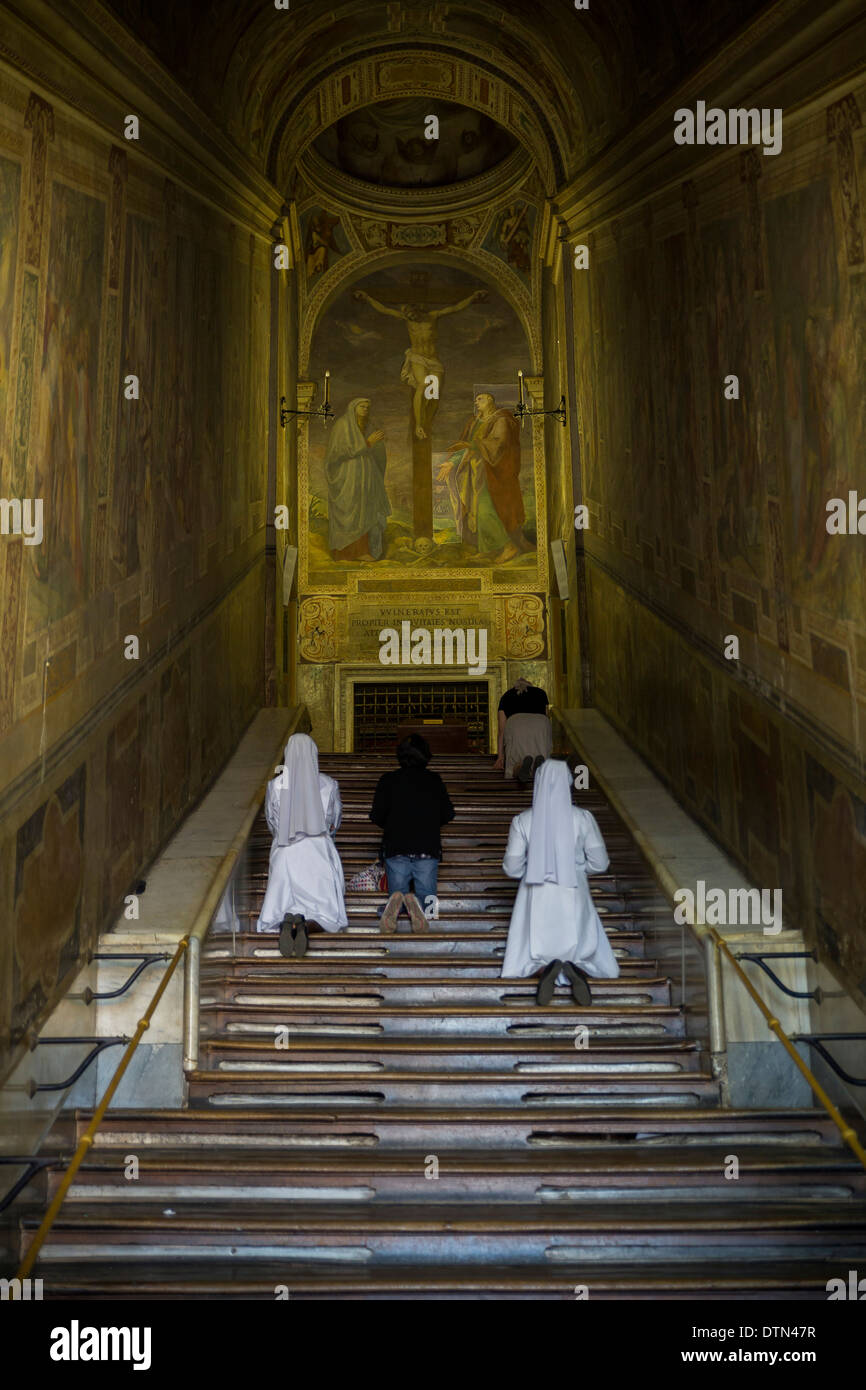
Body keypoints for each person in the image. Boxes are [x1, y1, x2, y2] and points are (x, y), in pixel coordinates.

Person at [501, 758, 619, 1005]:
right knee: (580, 938)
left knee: (535, 942)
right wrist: (577, 869)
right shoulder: (583, 817)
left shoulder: (522, 820)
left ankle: (545, 969)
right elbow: (600, 862)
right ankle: (574, 967)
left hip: (535, 891)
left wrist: (531, 870)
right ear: (568, 782)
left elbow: (512, 868)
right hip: (573, 886)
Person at [256, 732, 347, 957]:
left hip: (285, 850)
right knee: (325, 911)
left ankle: (287, 922)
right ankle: (306, 924)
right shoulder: (328, 784)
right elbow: (334, 821)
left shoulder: (275, 785)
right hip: (318, 850)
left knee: (283, 902)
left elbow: (272, 820)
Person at [370, 734, 455, 932]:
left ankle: (393, 907)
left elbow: (376, 816)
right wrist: (430, 822)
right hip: (427, 847)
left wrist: (394, 823)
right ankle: (422, 909)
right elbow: (448, 814)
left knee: (396, 894)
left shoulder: (388, 780)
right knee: (430, 903)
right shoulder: (434, 780)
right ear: (425, 755)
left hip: (396, 847)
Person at [438, 392, 531, 561]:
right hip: (474, 472)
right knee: (476, 509)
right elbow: (465, 446)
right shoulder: (474, 422)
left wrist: (472, 446)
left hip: (493, 472)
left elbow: (498, 444)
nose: (476, 401)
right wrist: (452, 461)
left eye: (480, 399)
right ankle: (488, 549)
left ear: (490, 400)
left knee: (484, 509)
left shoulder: (500, 419)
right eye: (476, 399)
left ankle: (508, 546)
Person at [324, 398, 390, 561]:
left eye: (368, 407)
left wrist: (377, 446)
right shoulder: (342, 426)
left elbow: (373, 452)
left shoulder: (365, 428)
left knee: (365, 512)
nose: (366, 409)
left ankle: (362, 551)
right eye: (362, 406)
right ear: (352, 408)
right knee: (350, 511)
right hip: (347, 479)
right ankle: (345, 552)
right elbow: (337, 454)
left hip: (364, 480)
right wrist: (368, 443)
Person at [495, 675, 552, 781]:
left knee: (513, 764)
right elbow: (547, 717)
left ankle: (521, 766)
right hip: (540, 725)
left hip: (516, 725)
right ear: (530, 685)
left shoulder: (506, 696)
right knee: (541, 754)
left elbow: (501, 730)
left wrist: (500, 757)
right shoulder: (541, 693)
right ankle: (539, 767)